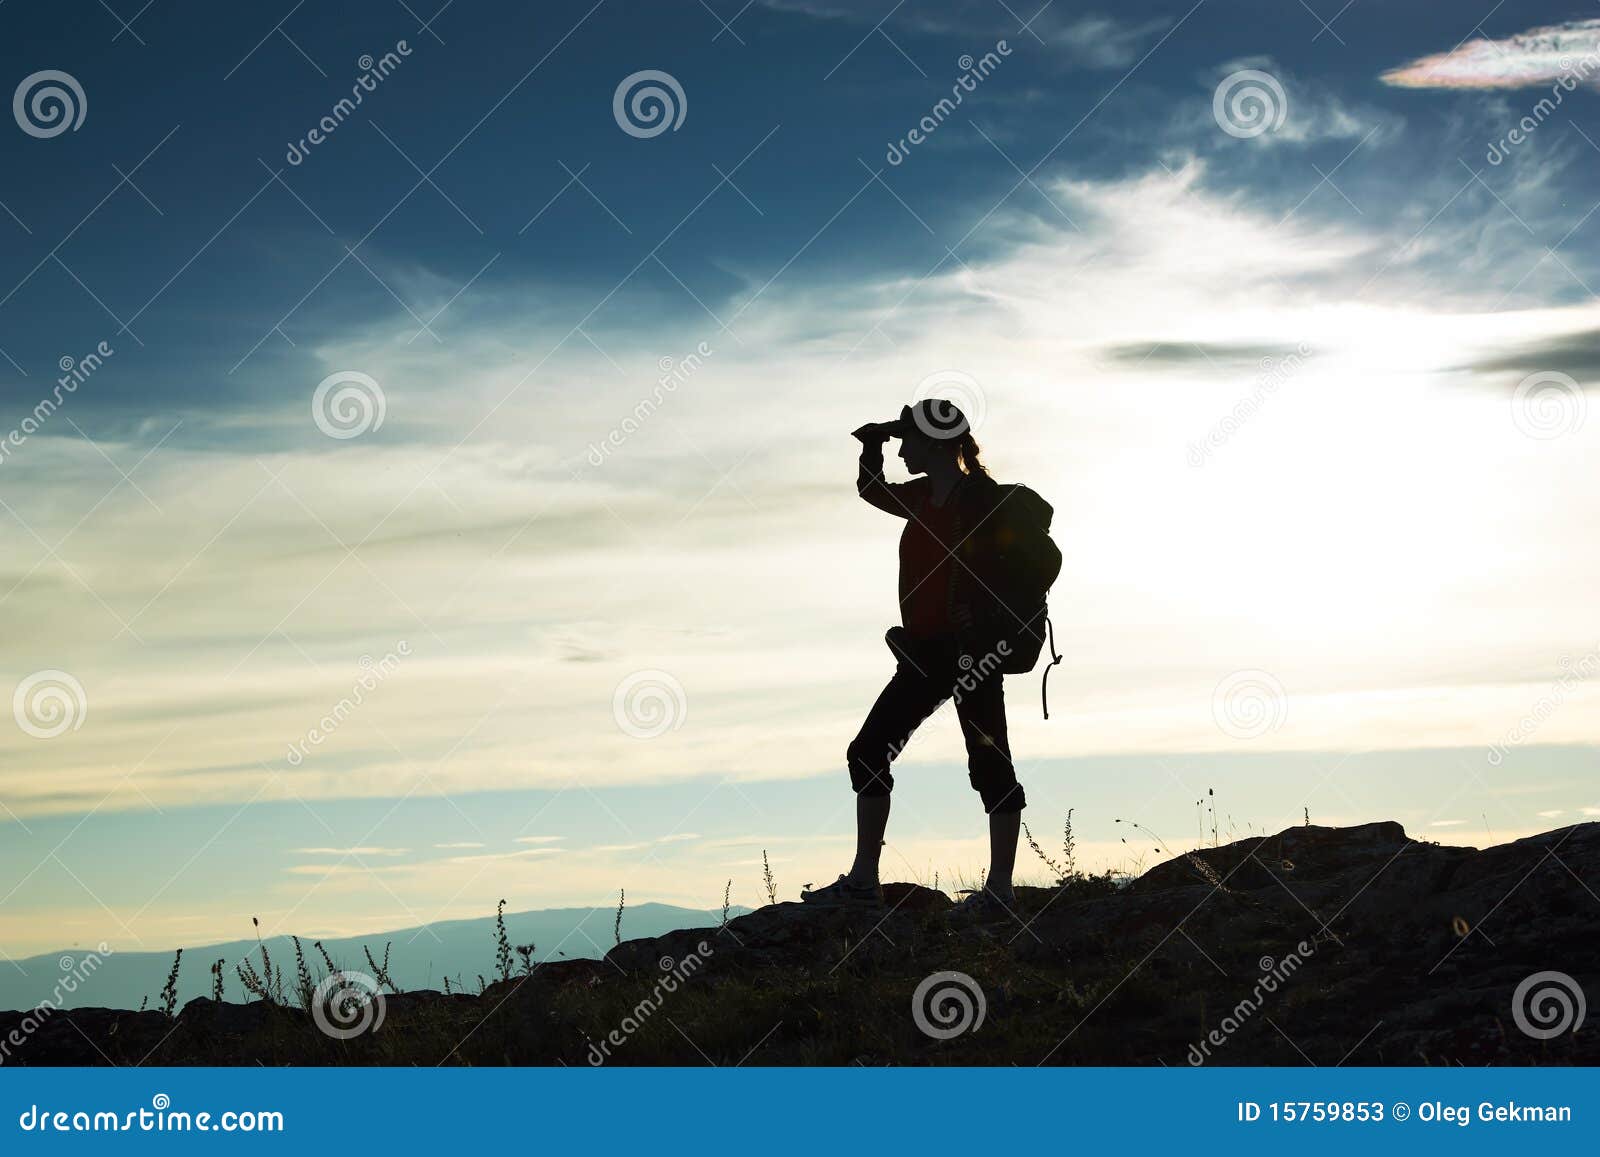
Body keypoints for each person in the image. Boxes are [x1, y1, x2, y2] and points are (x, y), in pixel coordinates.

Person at [801, 399, 1033, 916]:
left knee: (990, 763)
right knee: (867, 751)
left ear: (935, 444)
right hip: (924, 654)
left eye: (909, 440)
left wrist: (985, 627)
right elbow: (870, 490)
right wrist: (872, 443)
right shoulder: (923, 497)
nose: (902, 449)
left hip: (974, 654)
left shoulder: (983, 500)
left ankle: (1000, 890)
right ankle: (865, 881)